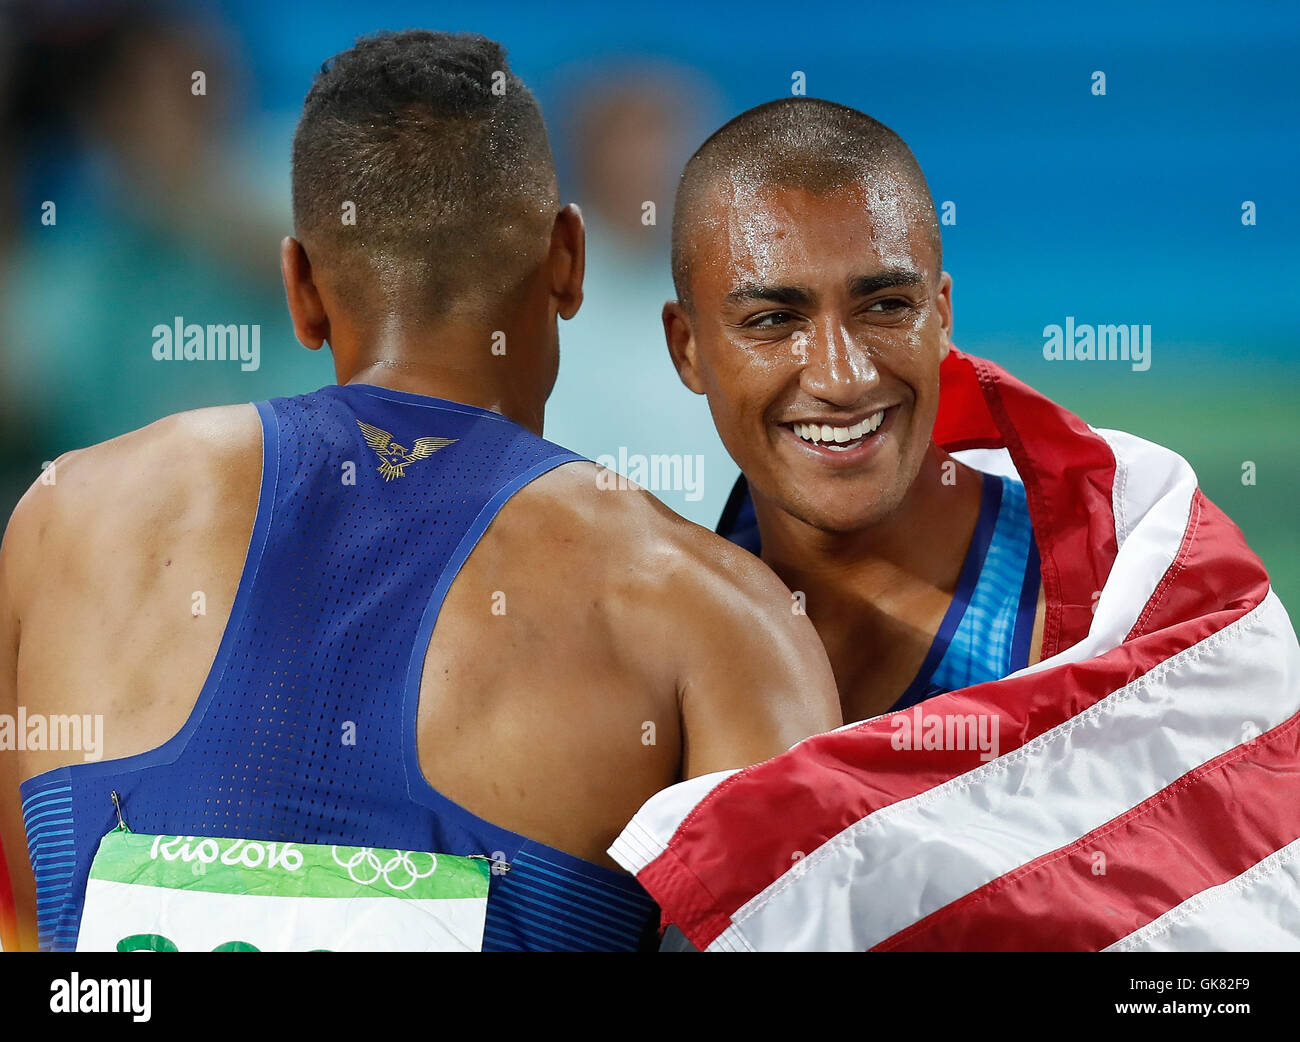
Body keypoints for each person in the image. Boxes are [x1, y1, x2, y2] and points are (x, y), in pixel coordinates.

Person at [0, 33, 839, 953]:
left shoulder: (61, 519)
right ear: (568, 260)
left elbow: (39, 924)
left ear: (300, 290)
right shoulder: (719, 622)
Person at [622, 97, 1299, 951]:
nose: (839, 374)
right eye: (773, 320)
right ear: (687, 349)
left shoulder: (1141, 594)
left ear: (942, 313)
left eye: (885, 307)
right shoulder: (648, 654)